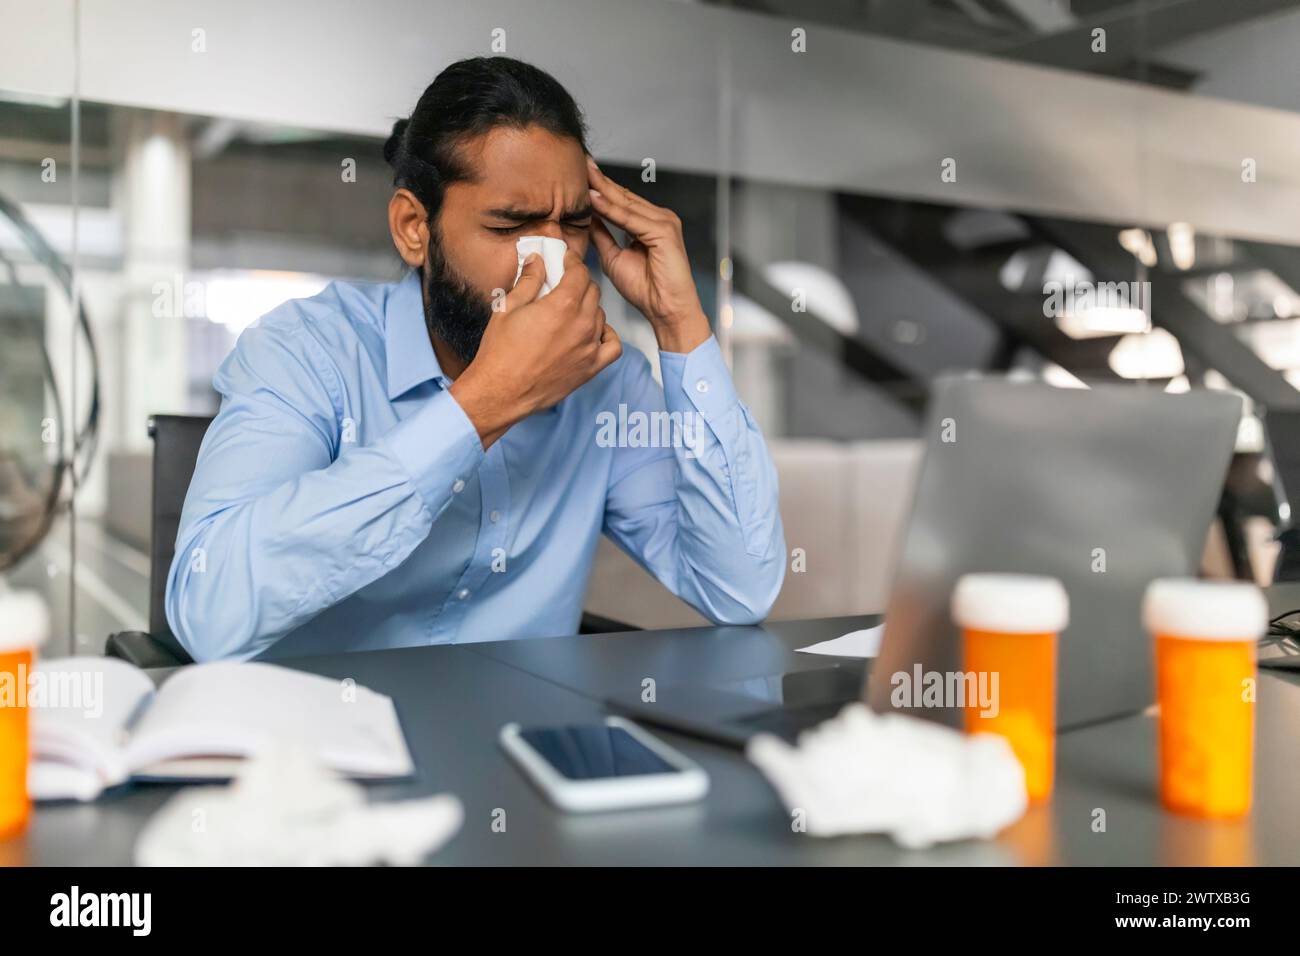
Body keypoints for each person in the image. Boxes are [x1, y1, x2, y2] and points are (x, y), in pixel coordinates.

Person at [166, 56, 785, 661]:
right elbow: (208, 612)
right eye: (510, 226)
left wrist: (681, 327)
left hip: (518, 746)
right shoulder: (307, 350)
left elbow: (739, 588)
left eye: (571, 223)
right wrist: (483, 405)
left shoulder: (606, 382)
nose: (551, 261)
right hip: (320, 748)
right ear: (414, 228)